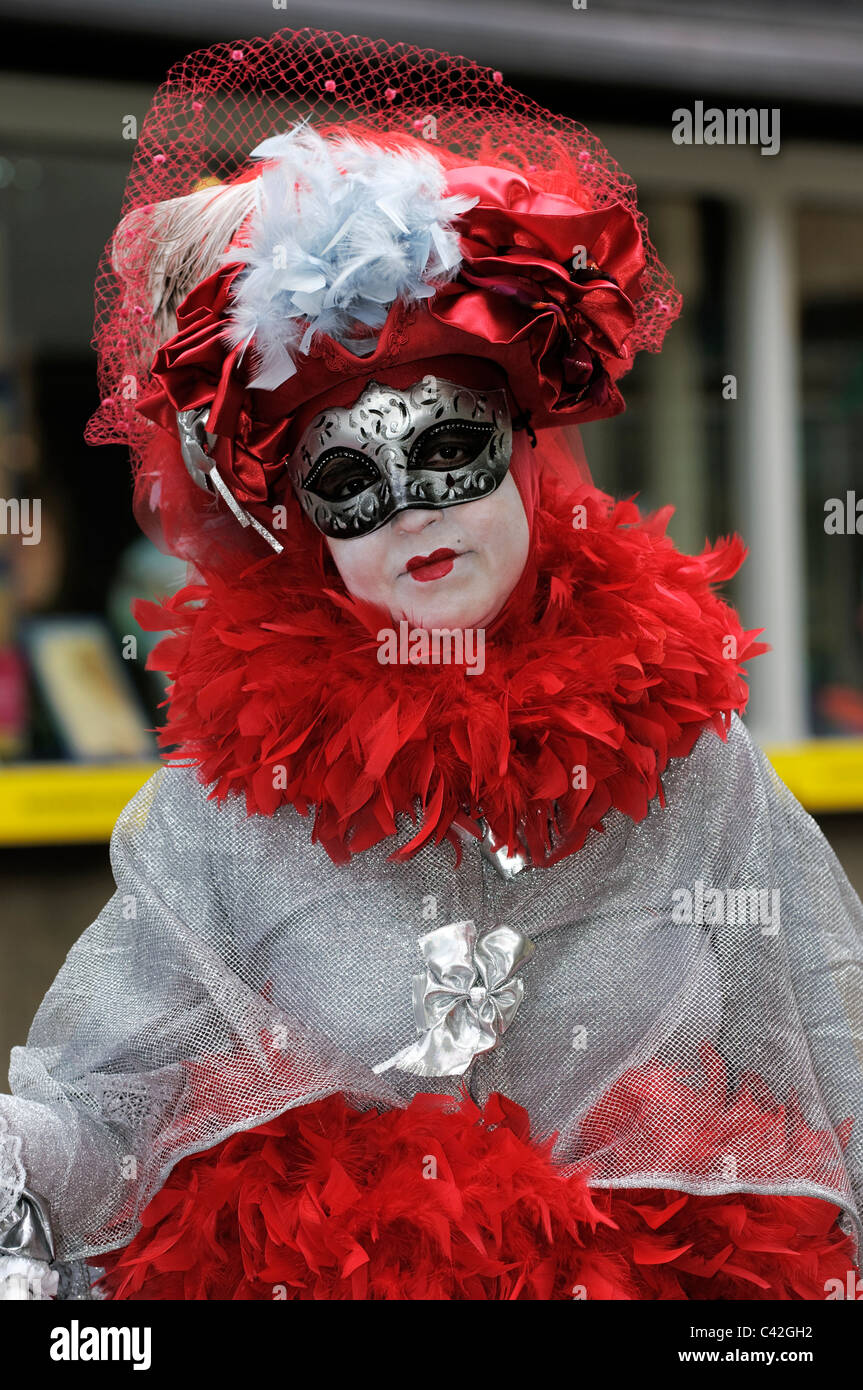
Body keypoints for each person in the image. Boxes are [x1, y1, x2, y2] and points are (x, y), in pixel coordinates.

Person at [2, 26, 862, 1301]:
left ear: (521, 447)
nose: (408, 509)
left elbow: (833, 1042)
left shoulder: (692, 763)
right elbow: (101, 1108)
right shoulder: (222, 809)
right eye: (346, 480)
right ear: (297, 522)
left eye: (448, 447)